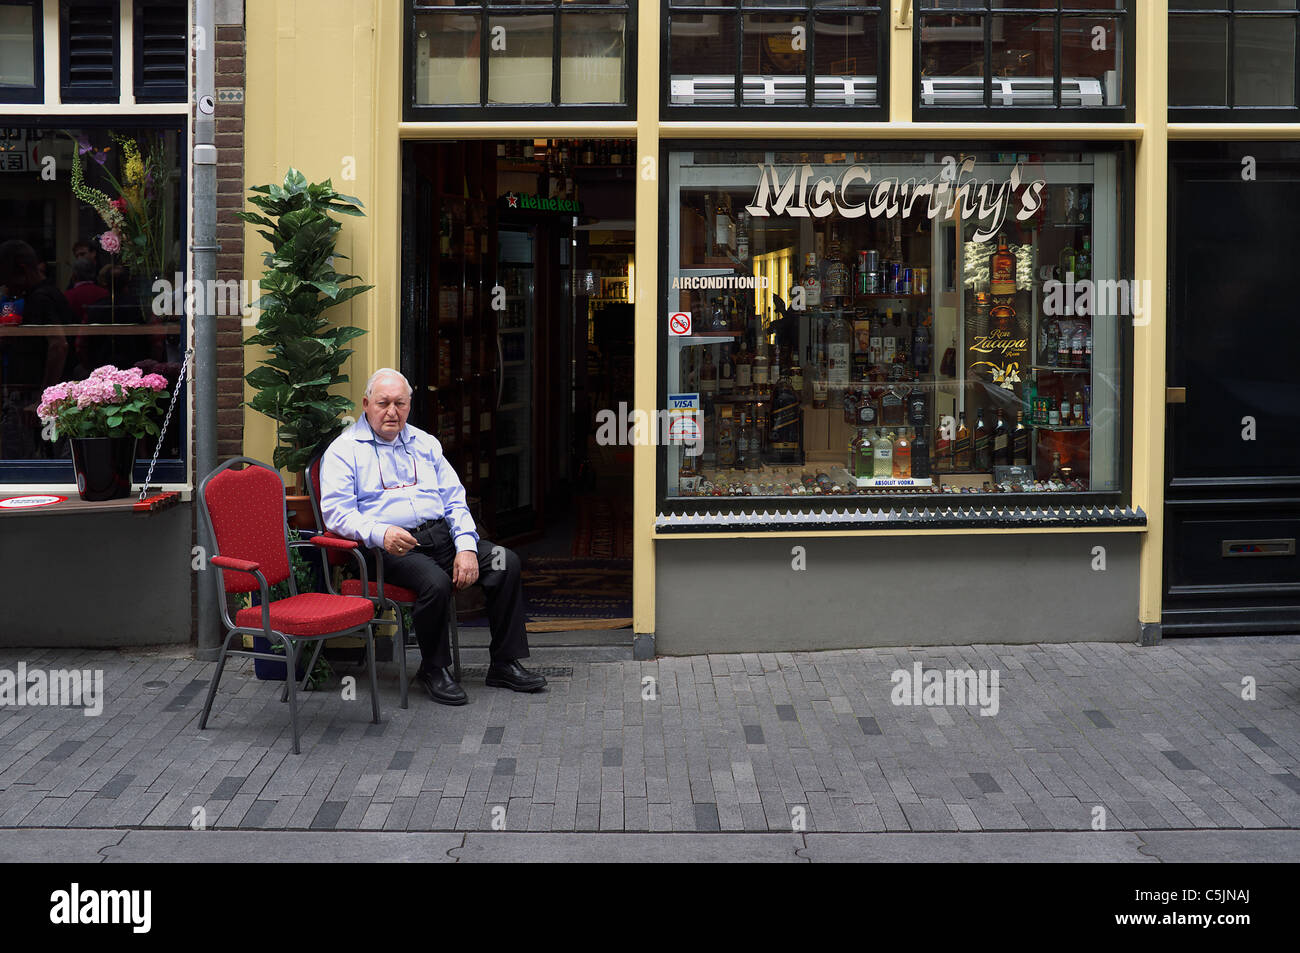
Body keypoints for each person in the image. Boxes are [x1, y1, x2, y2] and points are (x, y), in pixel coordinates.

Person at [319, 368, 546, 705]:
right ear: (366, 404)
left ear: (410, 405)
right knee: (435, 582)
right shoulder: (344, 450)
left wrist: (466, 547)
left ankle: (503, 663)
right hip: (387, 548)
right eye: (383, 403)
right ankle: (434, 668)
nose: (392, 412)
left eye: (400, 403)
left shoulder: (425, 443)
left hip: (440, 535)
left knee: (505, 562)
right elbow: (336, 513)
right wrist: (381, 532)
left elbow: (455, 500)